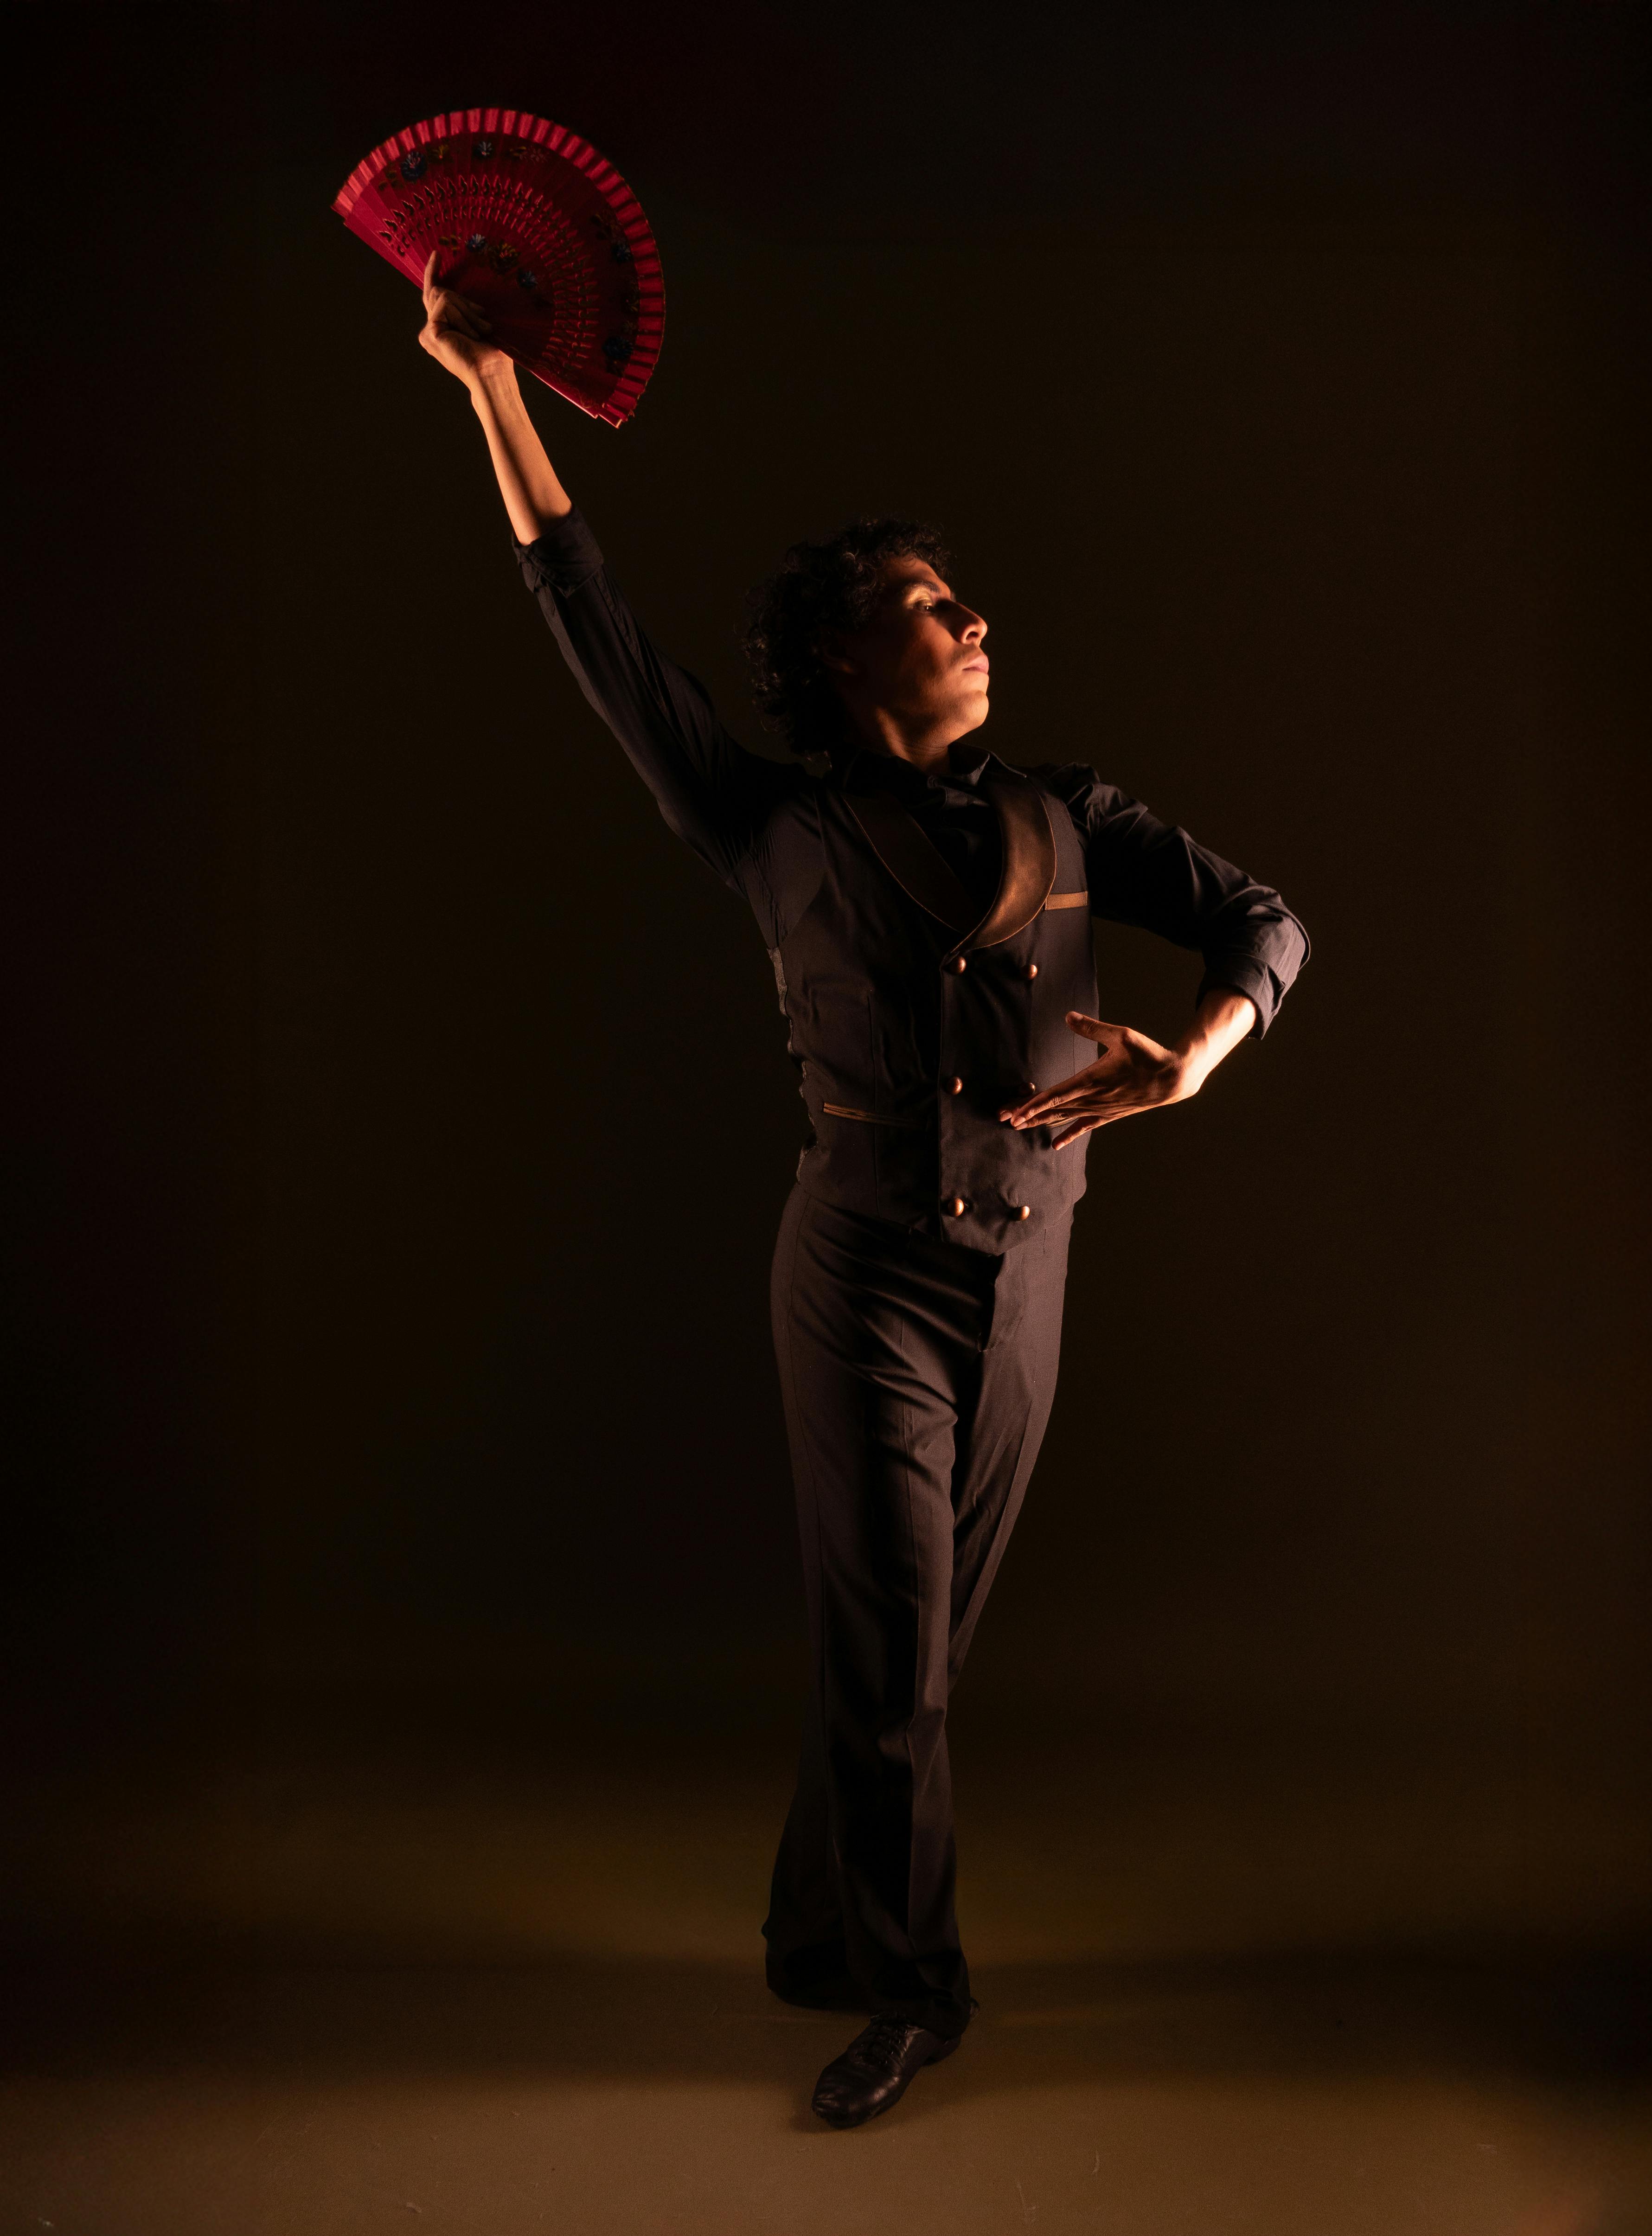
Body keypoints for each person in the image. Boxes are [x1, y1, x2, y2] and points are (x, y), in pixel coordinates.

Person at [414, 254, 1309, 2127]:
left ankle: (816, 1927)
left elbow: (1261, 922)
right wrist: (494, 394)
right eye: (922, 609)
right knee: (888, 1631)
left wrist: (1197, 1055)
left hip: (1032, 1261)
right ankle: (915, 1990)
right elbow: (590, 621)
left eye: (955, 599)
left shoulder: (1071, 814)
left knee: (919, 1641)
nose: (968, 621)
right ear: (844, 660)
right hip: (860, 1267)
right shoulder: (767, 823)